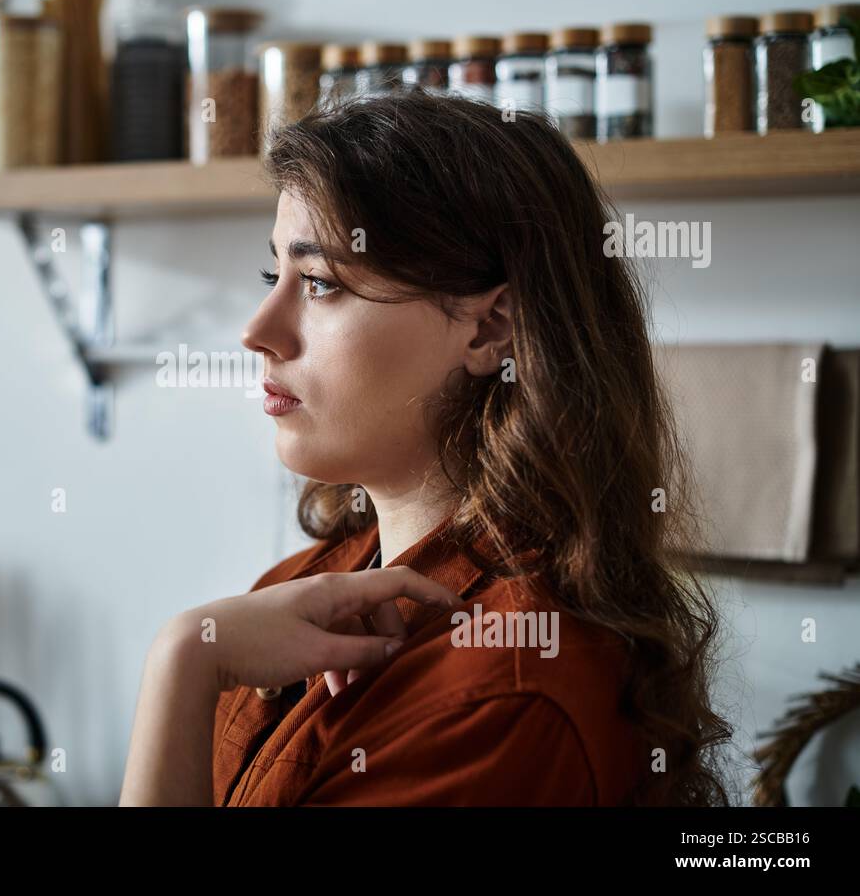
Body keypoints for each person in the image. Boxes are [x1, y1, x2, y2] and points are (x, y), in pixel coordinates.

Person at [119, 90, 733, 806]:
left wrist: (182, 664)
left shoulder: (502, 700)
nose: (258, 330)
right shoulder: (310, 584)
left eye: (319, 283)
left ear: (487, 330)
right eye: (273, 275)